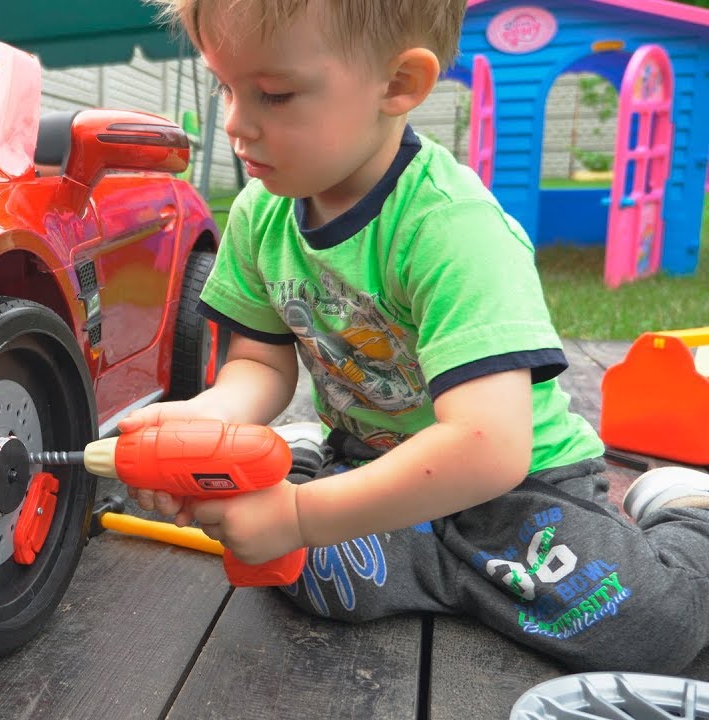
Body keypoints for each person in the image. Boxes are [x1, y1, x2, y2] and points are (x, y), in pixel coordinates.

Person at [122, 0, 709, 672]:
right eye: (225, 86)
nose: (234, 124)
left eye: (274, 94)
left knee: (653, 632)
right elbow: (259, 363)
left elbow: (488, 448)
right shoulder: (261, 213)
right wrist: (206, 421)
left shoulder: (451, 226)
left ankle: (688, 508)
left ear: (399, 84)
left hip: (516, 486)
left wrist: (301, 517)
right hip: (375, 462)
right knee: (297, 575)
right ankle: (436, 555)